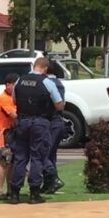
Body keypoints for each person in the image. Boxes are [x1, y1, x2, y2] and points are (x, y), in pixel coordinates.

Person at [9, 57, 64, 205]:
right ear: (45, 68)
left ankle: (14, 193)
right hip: (40, 122)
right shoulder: (47, 82)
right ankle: (34, 193)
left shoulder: (19, 81)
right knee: (37, 157)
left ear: (34, 66)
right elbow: (59, 106)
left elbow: (14, 101)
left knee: (20, 157)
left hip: (22, 121)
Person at [0, 73, 19, 201]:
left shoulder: (16, 98)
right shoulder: (3, 98)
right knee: (3, 161)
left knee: (13, 163)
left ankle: (10, 189)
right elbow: (14, 115)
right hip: (5, 133)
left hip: (15, 132)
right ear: (8, 84)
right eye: (14, 85)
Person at [43, 60, 66, 194]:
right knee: (51, 154)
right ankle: (48, 184)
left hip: (52, 122)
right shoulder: (58, 83)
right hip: (57, 122)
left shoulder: (50, 84)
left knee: (44, 153)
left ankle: (53, 178)